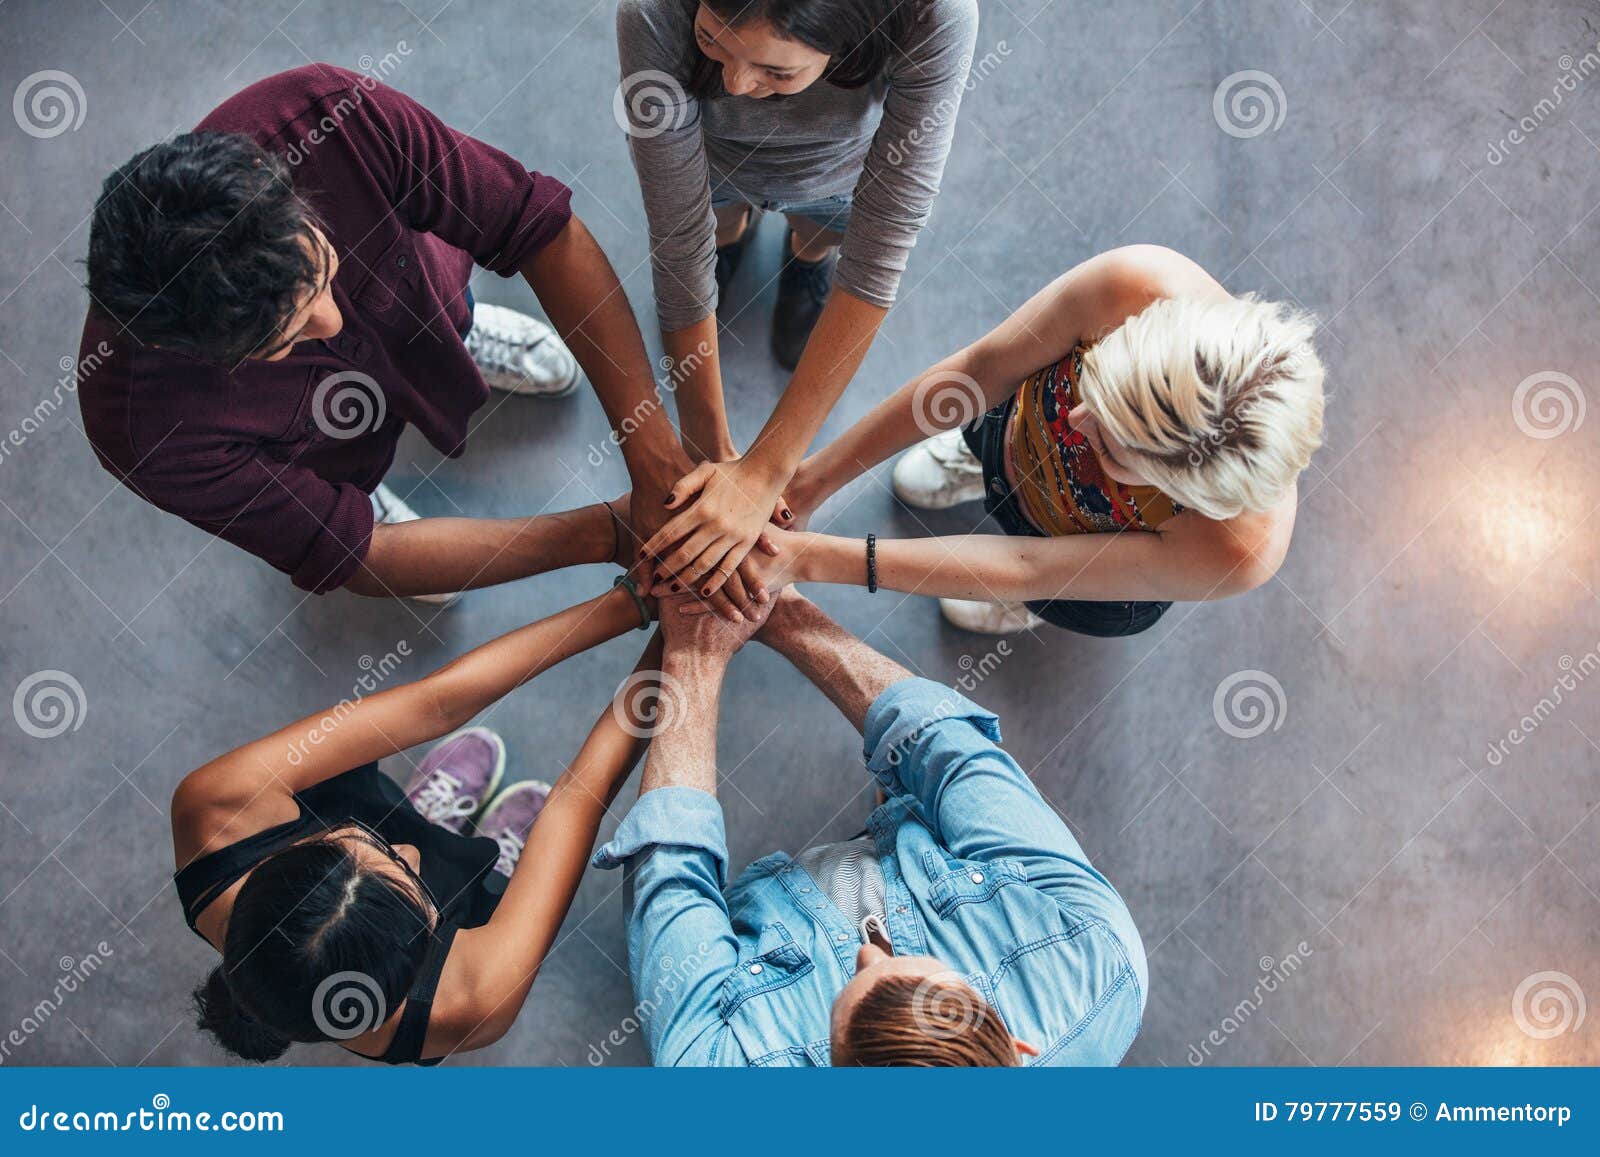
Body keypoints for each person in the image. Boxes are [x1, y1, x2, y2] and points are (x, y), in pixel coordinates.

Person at [80, 64, 703, 607]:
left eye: (323, 272)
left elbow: (536, 228)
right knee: (347, 508)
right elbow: (359, 556)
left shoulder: (330, 117)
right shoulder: (146, 432)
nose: (334, 320)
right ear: (186, 351)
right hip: (329, 457)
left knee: (444, 310)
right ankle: (357, 493)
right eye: (286, 337)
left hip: (425, 300)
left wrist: (653, 455)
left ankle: (460, 335)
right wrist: (610, 533)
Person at [593, 588, 1147, 1065]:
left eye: (847, 1002)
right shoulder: (1096, 966)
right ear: (1019, 1049)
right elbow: (955, 759)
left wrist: (693, 651)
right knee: (941, 787)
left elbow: (672, 870)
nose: (869, 950)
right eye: (907, 965)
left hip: (775, 914)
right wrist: (781, 610)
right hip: (913, 840)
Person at [669, 245, 1326, 635]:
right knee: (995, 425)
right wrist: (805, 480)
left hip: (1064, 554)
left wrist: (807, 558)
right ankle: (976, 456)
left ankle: (1023, 609)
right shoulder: (1139, 285)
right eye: (1090, 386)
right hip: (1007, 428)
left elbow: (1030, 564)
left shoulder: (1236, 551)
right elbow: (982, 372)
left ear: (1183, 493)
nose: (1073, 425)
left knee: (1037, 585)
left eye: (1113, 450)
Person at [170, 572, 662, 1063]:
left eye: (358, 846)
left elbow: (437, 703)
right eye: (411, 881)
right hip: (459, 926)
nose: (407, 851)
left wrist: (635, 600)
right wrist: (682, 645)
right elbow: (575, 802)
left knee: (403, 831)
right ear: (410, 970)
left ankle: (424, 817)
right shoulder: (470, 1001)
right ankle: (485, 867)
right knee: (517, 867)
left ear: (283, 858)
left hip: (348, 821)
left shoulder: (218, 808)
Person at [617, 0, 979, 603]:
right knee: (712, 229)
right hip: (712, 166)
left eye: (776, 72)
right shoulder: (652, 11)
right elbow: (678, 236)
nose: (735, 84)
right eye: (712, 41)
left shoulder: (934, 15)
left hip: (839, 178)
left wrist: (764, 472)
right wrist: (711, 458)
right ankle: (731, 242)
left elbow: (881, 242)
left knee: (822, 236)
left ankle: (804, 260)